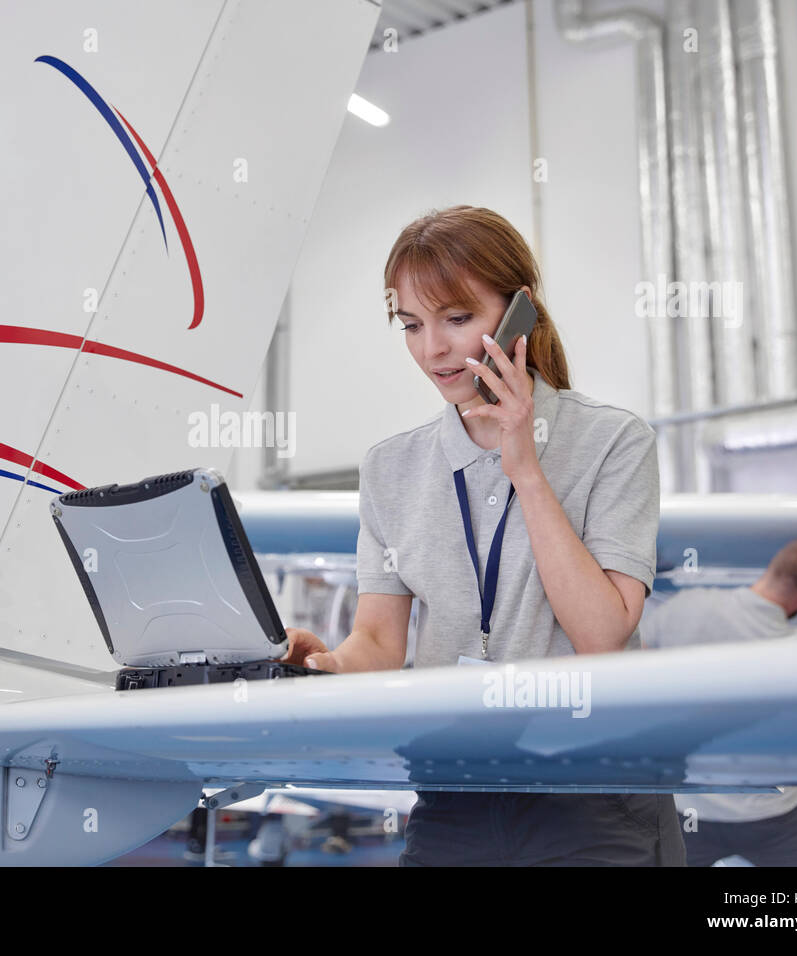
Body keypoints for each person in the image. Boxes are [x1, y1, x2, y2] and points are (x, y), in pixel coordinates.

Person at [283, 205, 683, 865]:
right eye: (411, 325)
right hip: (455, 793)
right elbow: (380, 641)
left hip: (591, 793)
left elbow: (601, 635)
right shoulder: (390, 467)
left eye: (457, 319)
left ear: (519, 311)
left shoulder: (613, 441)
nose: (431, 349)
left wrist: (524, 465)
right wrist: (316, 669)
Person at [640, 538, 797, 866]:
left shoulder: (689, 606)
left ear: (772, 568)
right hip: (773, 816)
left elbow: (630, 668)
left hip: (689, 809)